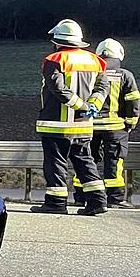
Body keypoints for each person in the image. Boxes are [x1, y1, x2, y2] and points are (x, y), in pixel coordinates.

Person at [31, 19, 110, 216]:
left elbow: (57, 88)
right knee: (85, 161)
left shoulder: (54, 60)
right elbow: (103, 87)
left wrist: (80, 106)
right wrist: (92, 106)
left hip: (56, 124)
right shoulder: (95, 60)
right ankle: (97, 201)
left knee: (56, 162)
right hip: (83, 125)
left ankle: (56, 203)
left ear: (57, 41)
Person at [83, 39, 138, 209]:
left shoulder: (90, 72)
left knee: (86, 160)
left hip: (89, 126)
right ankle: (114, 198)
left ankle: (81, 195)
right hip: (116, 128)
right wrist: (131, 122)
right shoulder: (125, 75)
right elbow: (133, 101)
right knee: (114, 162)